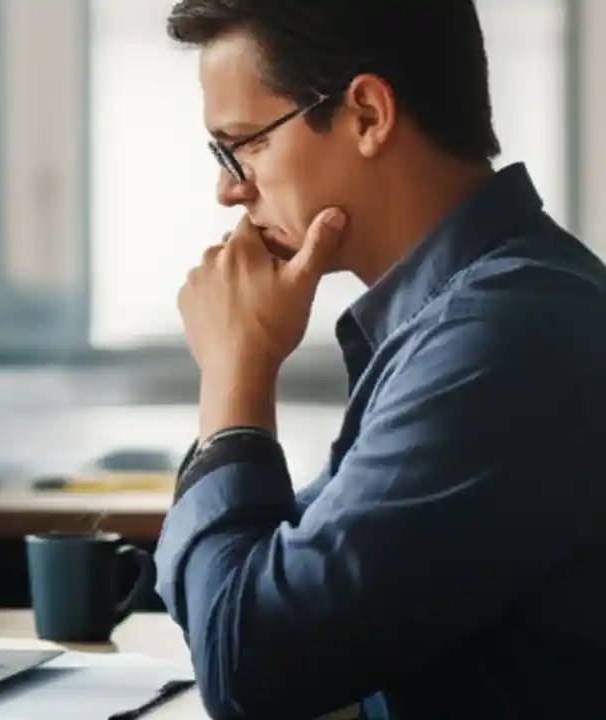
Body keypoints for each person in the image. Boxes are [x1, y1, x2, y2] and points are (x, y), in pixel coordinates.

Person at [152, 1, 606, 718]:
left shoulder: (505, 339)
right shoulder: (465, 319)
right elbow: (250, 586)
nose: (230, 188)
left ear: (367, 114)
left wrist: (237, 370)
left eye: (244, 145)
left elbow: (250, 664)